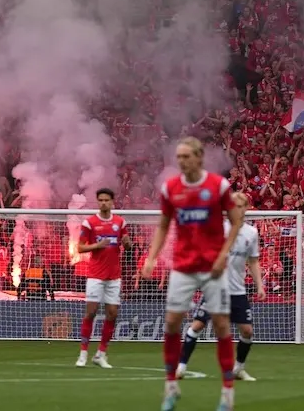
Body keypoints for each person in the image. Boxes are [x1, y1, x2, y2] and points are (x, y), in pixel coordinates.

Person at [141, 137, 245, 411]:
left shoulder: (218, 186)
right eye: (179, 156)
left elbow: (236, 222)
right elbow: (163, 226)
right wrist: (152, 257)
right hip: (183, 267)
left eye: (186, 156)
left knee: (222, 326)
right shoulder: (170, 188)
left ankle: (227, 394)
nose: (181, 161)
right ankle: (171, 389)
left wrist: (223, 254)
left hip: (212, 268)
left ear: (199, 157)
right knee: (173, 322)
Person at [177, 193, 265, 381]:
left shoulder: (252, 233)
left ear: (247, 208)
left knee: (247, 331)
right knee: (197, 326)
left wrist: (260, 285)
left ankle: (239, 369)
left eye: (241, 206)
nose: (238, 210)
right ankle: (181, 366)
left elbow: (254, 261)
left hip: (237, 290)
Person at [75, 187, 126, 369]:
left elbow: (126, 245)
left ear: (112, 202)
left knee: (112, 313)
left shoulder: (120, 222)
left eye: (106, 200)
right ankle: (83, 353)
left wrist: (127, 244)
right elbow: (80, 248)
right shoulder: (90, 223)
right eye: (100, 200)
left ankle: (101, 354)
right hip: (96, 274)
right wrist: (98, 245)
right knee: (91, 312)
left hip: (114, 276)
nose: (103, 203)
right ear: (98, 202)